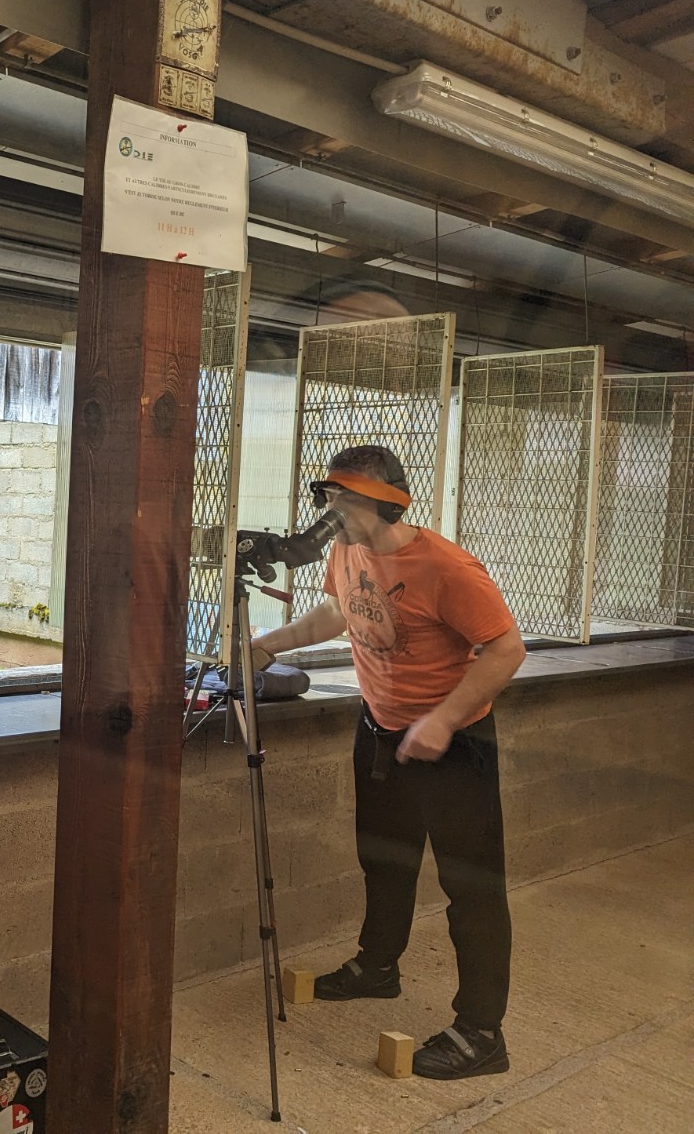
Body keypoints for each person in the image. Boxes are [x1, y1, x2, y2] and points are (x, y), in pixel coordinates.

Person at [250, 443, 526, 1081]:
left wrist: (443, 720)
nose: (328, 510)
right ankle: (378, 967)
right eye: (327, 496)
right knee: (384, 858)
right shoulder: (347, 549)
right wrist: (269, 644)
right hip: (381, 730)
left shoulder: (448, 568)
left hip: (454, 745)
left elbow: (507, 649)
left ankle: (482, 1031)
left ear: (383, 503)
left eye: (341, 498)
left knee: (472, 888)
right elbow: (340, 609)